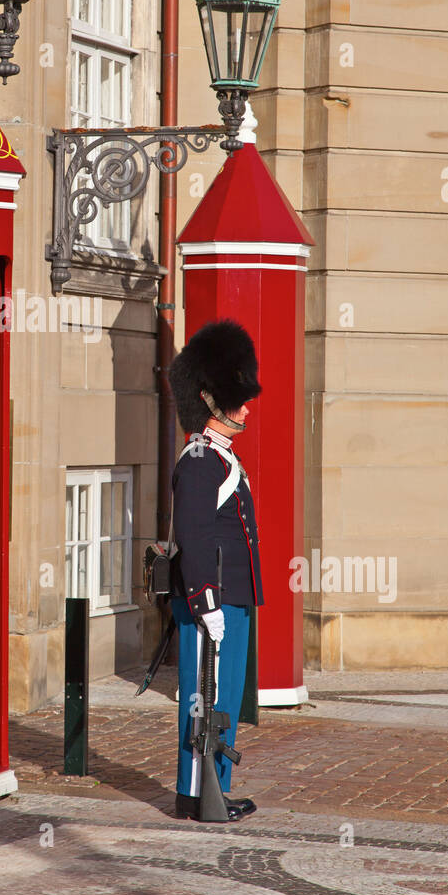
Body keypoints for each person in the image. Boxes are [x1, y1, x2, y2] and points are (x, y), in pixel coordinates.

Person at [167, 318, 264, 822]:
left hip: (232, 599)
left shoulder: (221, 458)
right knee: (205, 698)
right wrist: (206, 602)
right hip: (214, 601)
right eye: (235, 397)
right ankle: (195, 794)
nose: (245, 407)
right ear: (210, 398)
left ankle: (214, 790)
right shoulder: (202, 459)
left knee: (220, 698)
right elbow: (196, 532)